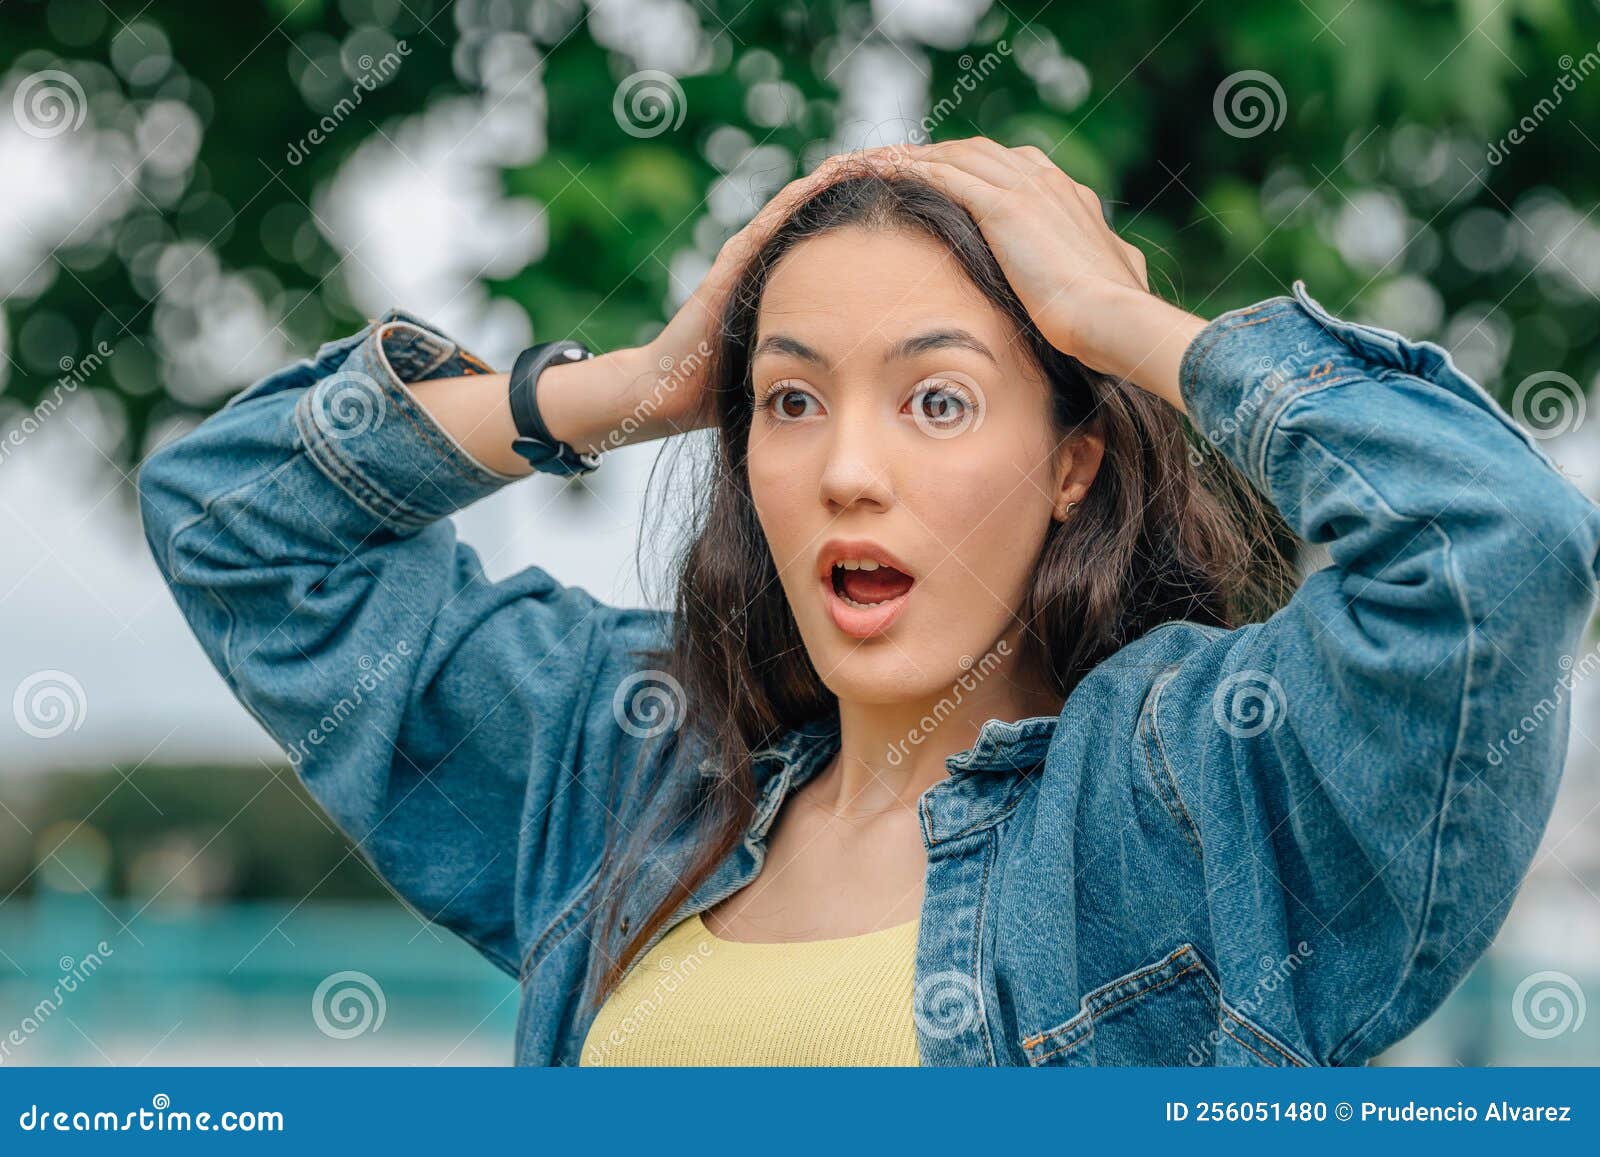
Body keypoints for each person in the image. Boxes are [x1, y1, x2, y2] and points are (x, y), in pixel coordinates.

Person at [139, 139, 1600, 1066]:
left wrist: (1126, 325)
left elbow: (1499, 547)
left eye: (938, 399)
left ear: (1073, 464)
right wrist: (628, 386)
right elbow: (237, 525)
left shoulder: (1198, 797)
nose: (847, 469)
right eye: (788, 400)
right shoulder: (630, 770)